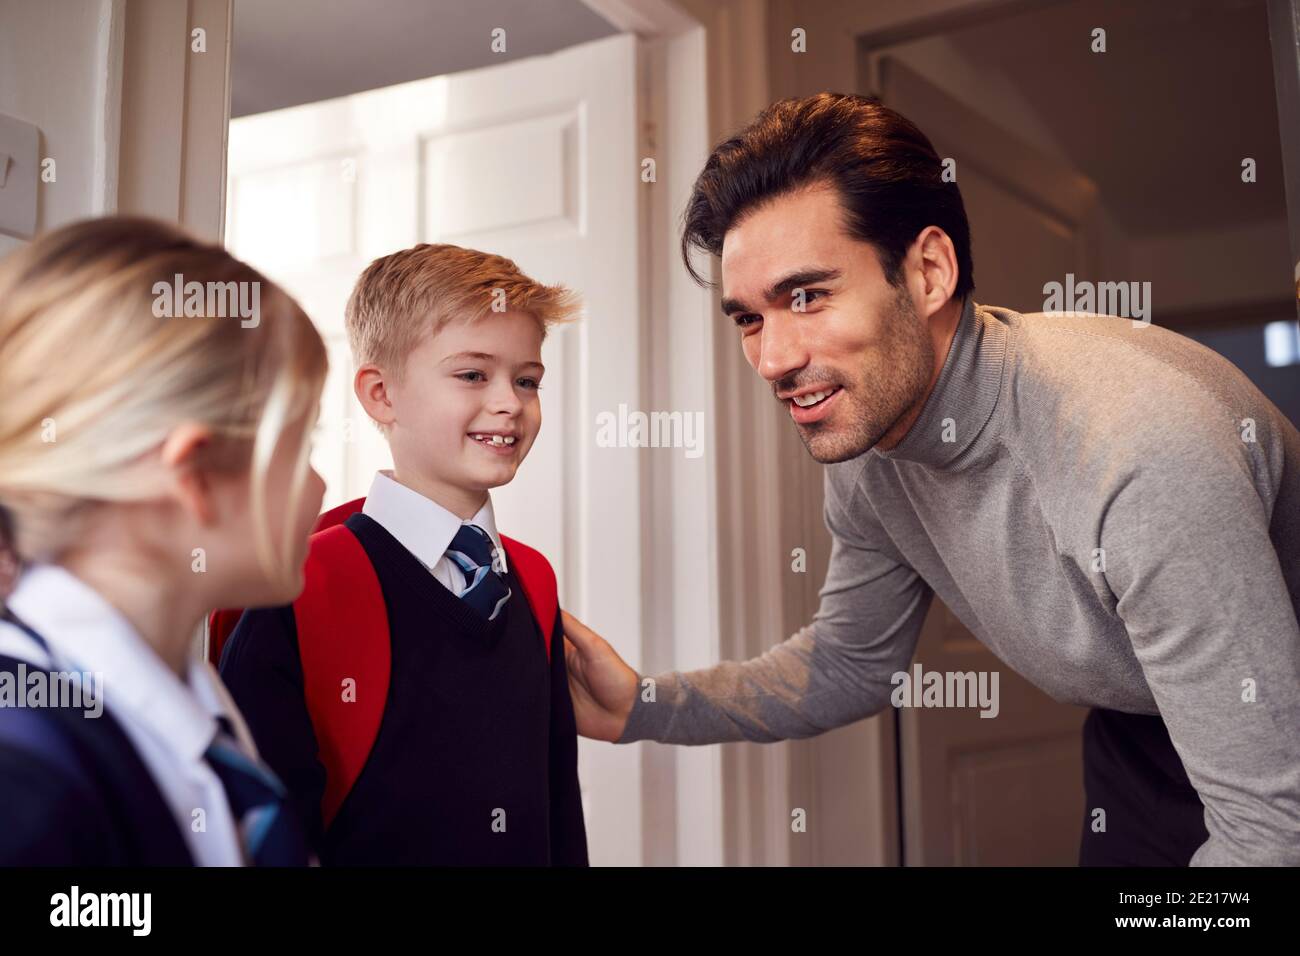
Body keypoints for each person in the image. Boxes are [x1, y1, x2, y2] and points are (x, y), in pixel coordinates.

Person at [560, 92, 1300, 867]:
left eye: (806, 296)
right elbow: (851, 664)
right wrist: (645, 705)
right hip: (1140, 735)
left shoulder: (1133, 451)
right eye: (749, 318)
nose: (773, 359)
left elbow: (1272, 831)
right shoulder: (872, 447)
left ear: (928, 272)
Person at [219, 242, 589, 866]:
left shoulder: (533, 578)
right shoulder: (299, 583)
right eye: (473, 374)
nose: (510, 402)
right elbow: (262, 831)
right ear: (381, 395)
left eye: (527, 380)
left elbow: (558, 809)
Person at [0, 216, 327, 865]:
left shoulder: (196, 709)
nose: (320, 485)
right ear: (195, 472)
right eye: (303, 446)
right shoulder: (23, 787)